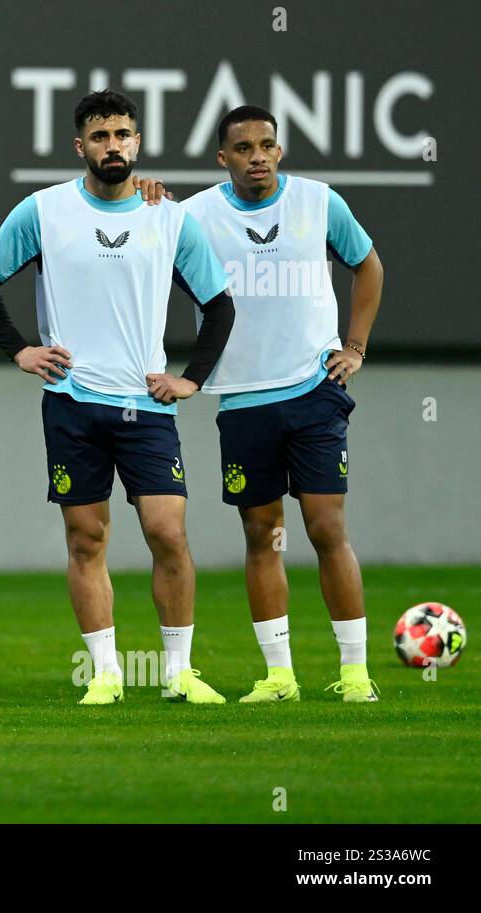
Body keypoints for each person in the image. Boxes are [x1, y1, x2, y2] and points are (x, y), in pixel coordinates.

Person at [0, 90, 236, 705]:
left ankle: (178, 673)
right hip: (72, 404)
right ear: (79, 146)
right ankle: (107, 673)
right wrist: (20, 349)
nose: (113, 145)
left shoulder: (167, 215)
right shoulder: (43, 211)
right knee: (87, 538)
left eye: (123, 134)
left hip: (147, 407)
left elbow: (218, 303)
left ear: (137, 143)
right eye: (100, 136)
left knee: (168, 533)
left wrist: (192, 377)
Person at [182, 105, 384, 702]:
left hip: (313, 391)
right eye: (243, 148)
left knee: (325, 526)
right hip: (242, 400)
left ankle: (354, 673)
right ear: (223, 159)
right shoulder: (194, 216)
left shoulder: (320, 202)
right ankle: (279, 676)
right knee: (262, 532)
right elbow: (140, 254)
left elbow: (368, 266)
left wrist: (355, 347)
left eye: (267, 144)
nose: (258, 156)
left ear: (280, 149)